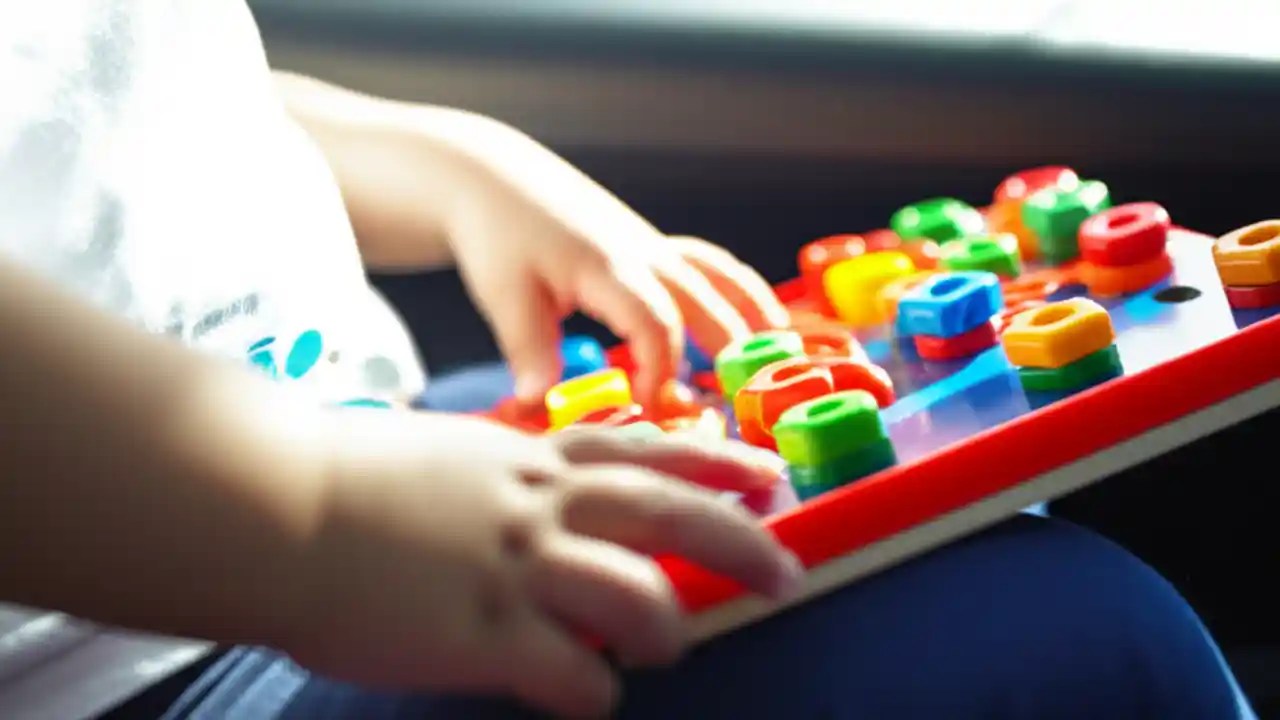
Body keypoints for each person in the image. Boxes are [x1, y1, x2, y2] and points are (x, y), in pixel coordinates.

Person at [0, 2, 1257, 719]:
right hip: (145, 658)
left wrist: (453, 165)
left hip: (360, 445)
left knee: (1005, 583)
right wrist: (312, 518)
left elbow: (115, 116)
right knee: (1058, 646)